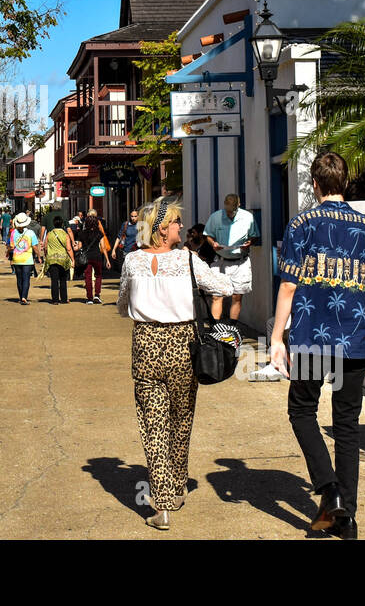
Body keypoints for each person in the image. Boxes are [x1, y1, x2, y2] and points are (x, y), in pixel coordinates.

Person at [269, 152, 365, 540]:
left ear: (316, 185)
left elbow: (288, 284)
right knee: (347, 425)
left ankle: (330, 489)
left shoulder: (301, 225)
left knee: (301, 410)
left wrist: (276, 337)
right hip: (356, 340)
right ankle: (347, 518)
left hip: (310, 339)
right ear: (347, 183)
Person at [116, 195, 233, 530]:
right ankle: (177, 484)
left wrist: (145, 308)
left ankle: (162, 504)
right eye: (177, 222)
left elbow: (123, 303)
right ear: (163, 228)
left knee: (153, 424)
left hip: (145, 343)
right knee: (181, 419)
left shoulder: (133, 261)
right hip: (183, 343)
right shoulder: (188, 261)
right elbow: (223, 286)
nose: (182, 226)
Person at [204, 193, 259, 322]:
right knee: (217, 296)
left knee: (237, 297)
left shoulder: (248, 217)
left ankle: (232, 327)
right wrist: (213, 244)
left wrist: (249, 243)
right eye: (228, 212)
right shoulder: (215, 217)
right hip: (220, 261)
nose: (230, 214)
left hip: (240, 262)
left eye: (232, 212)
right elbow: (208, 235)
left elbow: (254, 236)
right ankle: (216, 328)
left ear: (239, 205)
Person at [7, 212, 41, 305]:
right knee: (26, 278)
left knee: (19, 279)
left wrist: (8, 252)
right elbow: (34, 247)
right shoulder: (31, 233)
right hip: (27, 259)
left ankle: (20, 296)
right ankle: (24, 297)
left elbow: (11, 246)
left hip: (16, 259)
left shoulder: (13, 232)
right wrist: (38, 256)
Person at [78, 209, 111, 304]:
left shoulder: (82, 233)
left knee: (88, 277)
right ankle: (97, 295)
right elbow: (103, 247)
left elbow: (79, 247)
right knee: (98, 275)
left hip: (86, 257)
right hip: (97, 256)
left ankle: (89, 298)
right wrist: (107, 260)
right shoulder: (99, 233)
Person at [42, 216, 74, 304]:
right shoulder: (65, 234)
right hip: (63, 259)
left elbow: (45, 246)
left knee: (54, 280)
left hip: (52, 259)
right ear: (62, 224)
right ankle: (64, 299)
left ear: (54, 224)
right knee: (63, 280)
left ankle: (55, 300)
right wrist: (73, 259)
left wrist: (46, 255)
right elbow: (68, 248)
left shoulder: (49, 234)